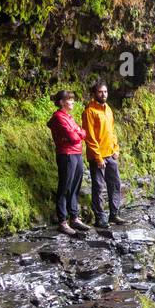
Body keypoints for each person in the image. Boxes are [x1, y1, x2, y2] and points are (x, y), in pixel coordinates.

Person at [82, 81, 126, 228]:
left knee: (115, 184)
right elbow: (90, 137)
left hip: (110, 154)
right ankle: (100, 217)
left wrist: (116, 148)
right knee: (98, 187)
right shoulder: (89, 111)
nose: (104, 94)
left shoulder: (108, 109)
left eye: (105, 91)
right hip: (97, 157)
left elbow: (112, 131)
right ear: (94, 94)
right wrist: (98, 157)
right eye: (100, 92)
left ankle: (114, 214)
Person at [47, 90, 91, 235]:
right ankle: (62, 221)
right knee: (65, 186)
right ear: (61, 102)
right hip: (66, 154)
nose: (72, 102)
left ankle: (74, 217)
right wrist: (78, 132)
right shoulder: (59, 117)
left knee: (75, 186)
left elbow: (83, 133)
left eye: (72, 99)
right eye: (70, 100)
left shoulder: (69, 117)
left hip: (76, 153)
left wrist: (78, 132)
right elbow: (74, 136)